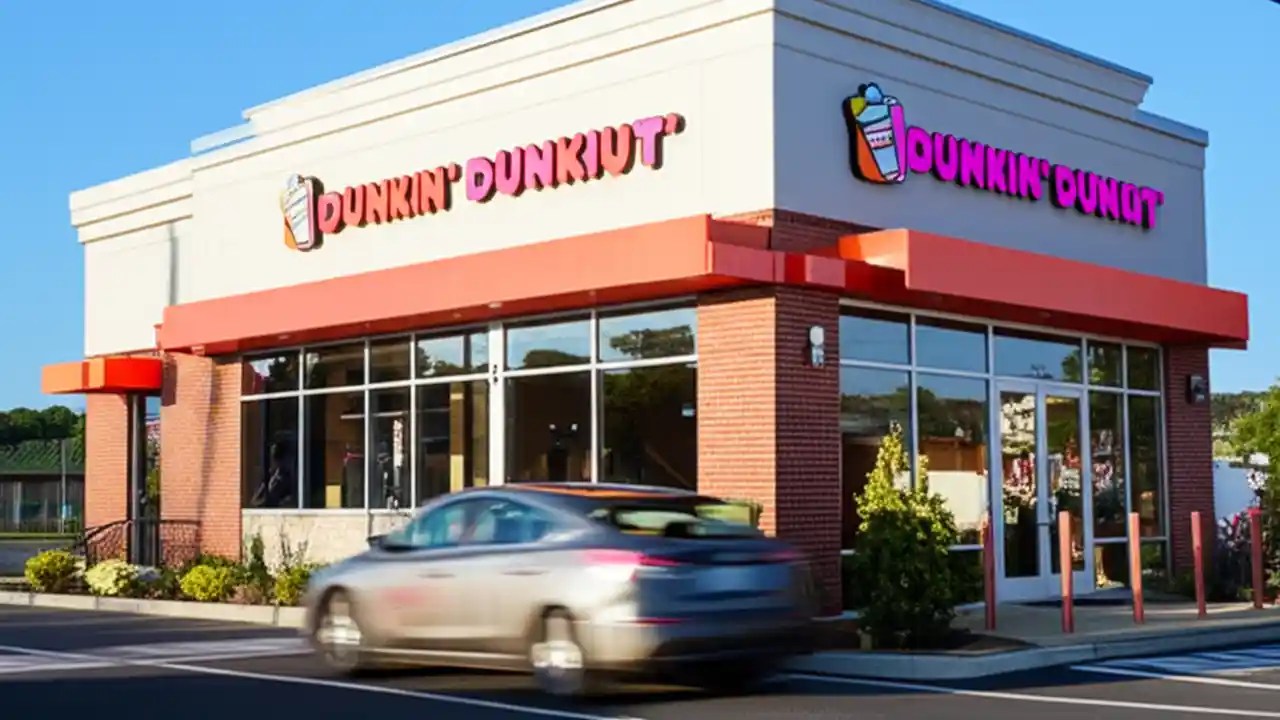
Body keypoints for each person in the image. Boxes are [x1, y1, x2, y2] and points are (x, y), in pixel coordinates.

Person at [251, 441, 295, 508]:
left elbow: (289, 499)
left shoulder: (286, 478)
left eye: (275, 458)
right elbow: (255, 500)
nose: (272, 462)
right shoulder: (268, 477)